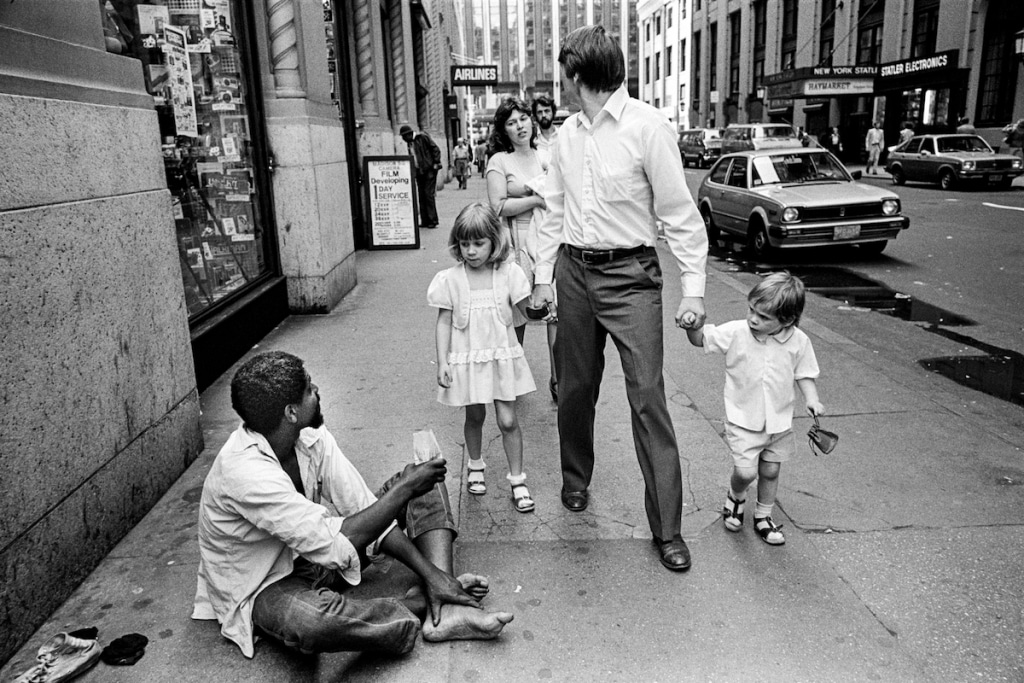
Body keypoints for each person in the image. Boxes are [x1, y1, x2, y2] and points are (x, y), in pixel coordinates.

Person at [192, 351, 513, 659]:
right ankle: (419, 605)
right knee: (311, 622)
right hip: (264, 582)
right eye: (308, 388)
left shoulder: (308, 435)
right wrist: (403, 489)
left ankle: (446, 602)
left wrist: (432, 573)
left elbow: (361, 505)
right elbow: (335, 541)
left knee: (424, 480)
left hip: (312, 551)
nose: (316, 391)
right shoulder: (245, 473)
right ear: (290, 412)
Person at [530, 25, 708, 572]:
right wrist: (543, 276)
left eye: (565, 76)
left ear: (581, 76)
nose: (561, 86)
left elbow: (679, 215)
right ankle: (575, 479)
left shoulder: (648, 128)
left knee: (647, 396)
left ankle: (668, 529)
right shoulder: (566, 136)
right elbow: (552, 211)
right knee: (576, 387)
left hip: (632, 275)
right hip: (575, 274)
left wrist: (693, 291)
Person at [684, 272, 824, 547]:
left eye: (763, 316)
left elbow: (804, 373)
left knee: (771, 470)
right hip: (742, 419)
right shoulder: (737, 331)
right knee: (747, 472)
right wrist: (692, 325)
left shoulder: (799, 341)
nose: (753, 319)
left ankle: (763, 515)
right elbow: (702, 340)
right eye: (751, 310)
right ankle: (736, 496)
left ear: (787, 320)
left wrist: (812, 398)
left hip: (779, 422)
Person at [429, 203, 538, 513]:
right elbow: (444, 321)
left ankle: (517, 478)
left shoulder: (508, 273)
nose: (471, 251)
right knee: (474, 416)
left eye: (478, 243)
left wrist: (543, 303)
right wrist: (443, 361)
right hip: (467, 357)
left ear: (494, 241)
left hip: (501, 357)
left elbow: (527, 309)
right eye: (465, 244)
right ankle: (475, 465)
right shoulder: (451, 278)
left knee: (508, 419)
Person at [486, 97, 558, 402]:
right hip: (514, 243)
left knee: (555, 313)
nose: (520, 126)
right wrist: (535, 199)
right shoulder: (499, 161)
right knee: (517, 315)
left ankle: (559, 379)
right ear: (504, 129)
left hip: (548, 240)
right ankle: (513, 377)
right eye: (512, 122)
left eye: (523, 118)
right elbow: (498, 205)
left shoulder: (546, 155)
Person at [400, 124, 442, 229]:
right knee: (421, 195)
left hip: (429, 170)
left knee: (428, 194)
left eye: (404, 137)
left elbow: (435, 149)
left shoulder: (422, 137)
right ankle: (425, 220)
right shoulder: (410, 143)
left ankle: (432, 220)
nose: (403, 139)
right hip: (419, 172)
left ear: (409, 134)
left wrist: (436, 162)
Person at [532, 95, 559, 162]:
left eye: (547, 111)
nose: (543, 115)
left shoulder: (563, 135)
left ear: (553, 113)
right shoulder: (531, 139)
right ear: (535, 115)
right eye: (539, 112)